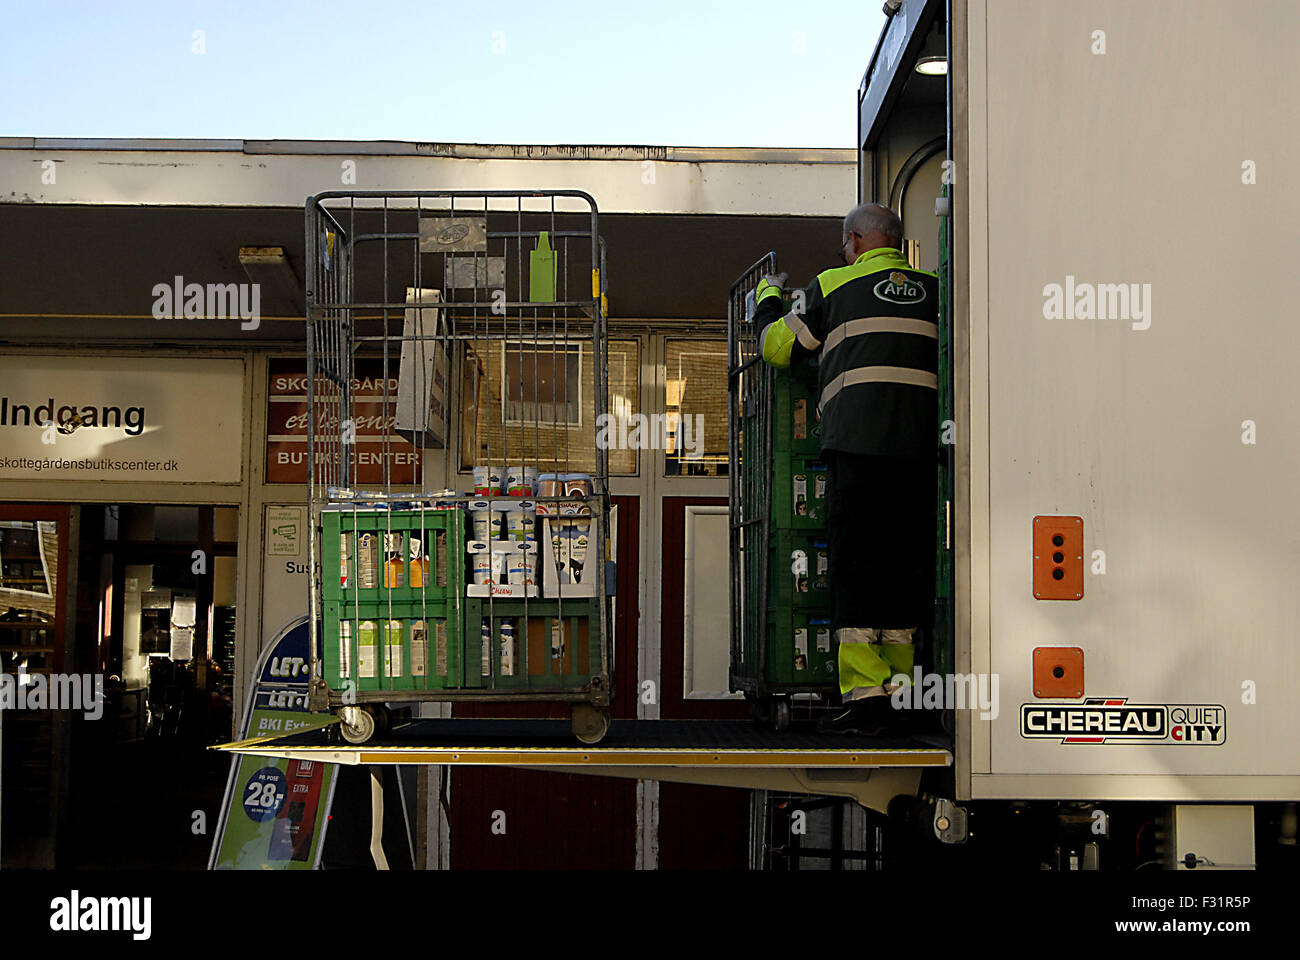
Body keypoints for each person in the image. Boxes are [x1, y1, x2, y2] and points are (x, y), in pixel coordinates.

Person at [756, 203, 937, 735]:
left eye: (844, 244)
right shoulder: (935, 289)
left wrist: (768, 300)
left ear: (856, 240)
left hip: (857, 450)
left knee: (857, 567)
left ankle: (865, 697)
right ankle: (903, 694)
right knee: (904, 569)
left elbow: (777, 347)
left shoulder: (832, 285)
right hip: (920, 455)